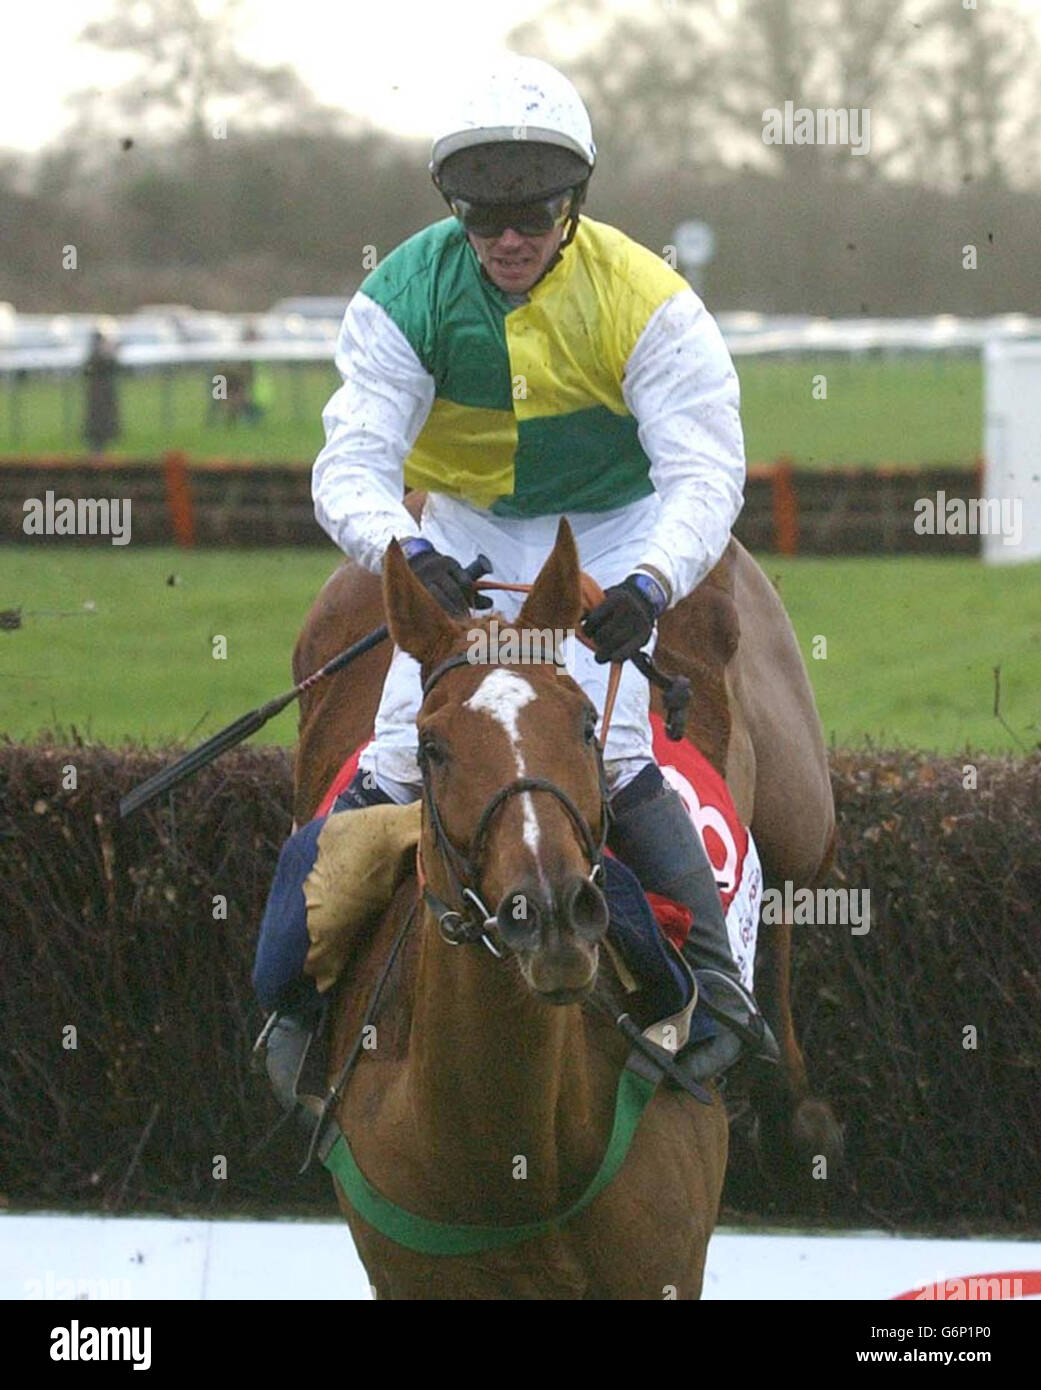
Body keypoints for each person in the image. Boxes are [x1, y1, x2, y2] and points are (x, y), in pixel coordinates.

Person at [256, 55, 777, 1112]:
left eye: (532, 211)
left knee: (615, 747)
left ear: (572, 201)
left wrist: (650, 579)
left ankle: (718, 995)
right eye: (484, 214)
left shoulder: (646, 298)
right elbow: (349, 466)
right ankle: (293, 998)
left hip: (613, 530)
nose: (508, 237)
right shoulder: (403, 296)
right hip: (468, 536)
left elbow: (707, 471)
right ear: (457, 210)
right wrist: (399, 550)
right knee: (401, 753)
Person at [83, 330, 120, 452]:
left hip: (99, 393)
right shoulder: (98, 355)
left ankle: (98, 449)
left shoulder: (95, 355)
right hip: (101, 393)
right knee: (99, 423)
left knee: (99, 423)